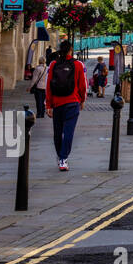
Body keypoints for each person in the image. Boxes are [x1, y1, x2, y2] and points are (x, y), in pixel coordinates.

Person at [46, 42, 87, 172]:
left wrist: (48, 105)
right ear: (71, 50)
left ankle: (60, 156)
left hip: (57, 103)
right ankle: (63, 159)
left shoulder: (53, 64)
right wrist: (82, 100)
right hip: (72, 102)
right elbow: (83, 85)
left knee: (57, 133)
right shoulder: (78, 65)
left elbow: (49, 86)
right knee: (68, 132)